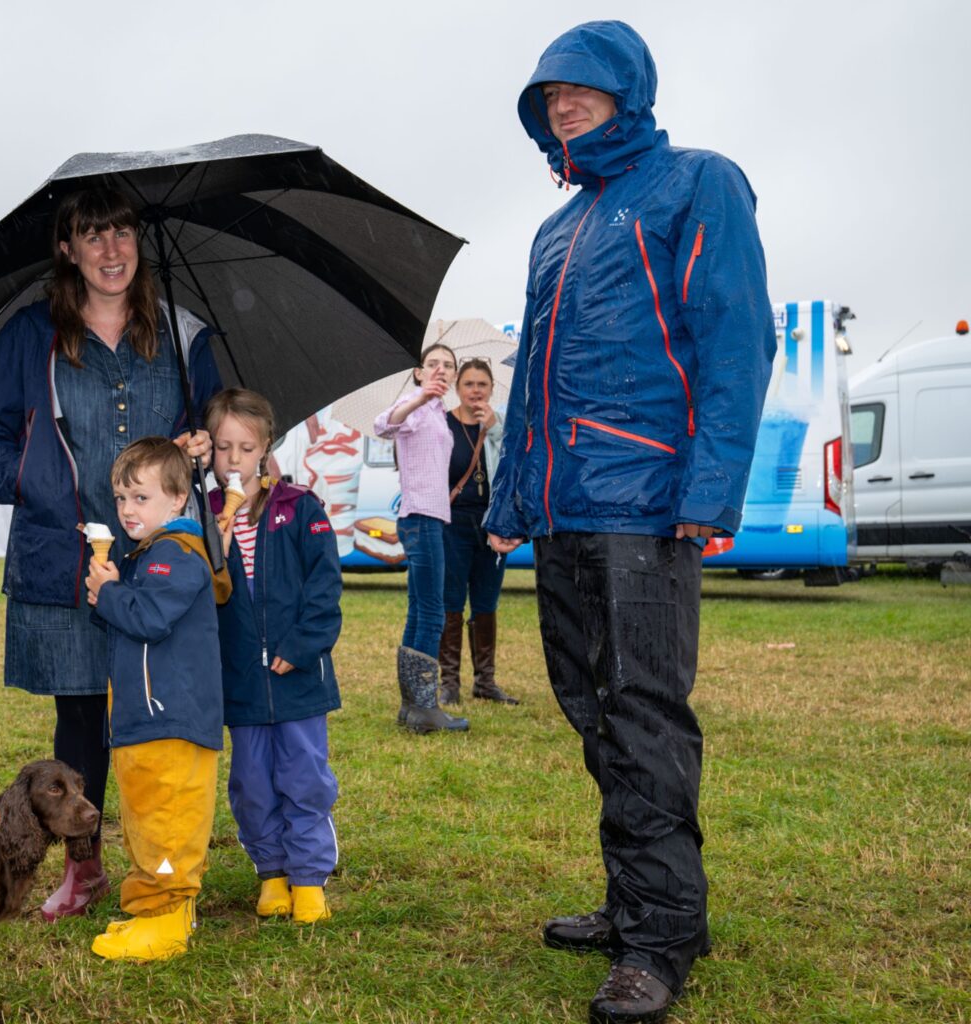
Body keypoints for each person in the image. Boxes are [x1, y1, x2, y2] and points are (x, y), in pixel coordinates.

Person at [485, 22, 774, 1022]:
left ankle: (661, 939)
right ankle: (634, 901)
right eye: (546, 96)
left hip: (646, 506)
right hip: (564, 515)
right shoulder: (556, 228)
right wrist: (510, 500)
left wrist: (709, 491)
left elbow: (736, 336)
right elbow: (532, 387)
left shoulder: (697, 182)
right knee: (591, 709)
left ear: (624, 88)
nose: (561, 105)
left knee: (646, 714)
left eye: (577, 88)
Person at [0, 188, 219, 921]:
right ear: (67, 249)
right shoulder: (28, 335)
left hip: (159, 560)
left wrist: (202, 442)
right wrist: (32, 480)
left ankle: (163, 860)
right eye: (91, 234)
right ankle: (86, 868)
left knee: (158, 713)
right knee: (80, 722)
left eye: (122, 232)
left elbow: (223, 425)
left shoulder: (183, 331)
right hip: (62, 556)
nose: (111, 249)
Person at [83, 438, 224, 961]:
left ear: (179, 499)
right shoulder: (149, 555)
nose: (126, 510)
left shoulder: (176, 554)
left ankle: (167, 916)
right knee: (145, 818)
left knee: (169, 823)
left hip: (172, 722)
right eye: (120, 498)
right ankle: (154, 910)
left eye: (140, 498)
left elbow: (151, 619)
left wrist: (113, 593)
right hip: (144, 721)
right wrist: (111, 591)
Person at [206, 388, 342, 924]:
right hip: (240, 679)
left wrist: (300, 647)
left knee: (304, 776)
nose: (234, 459)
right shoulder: (205, 515)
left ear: (266, 449)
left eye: (246, 447)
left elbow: (324, 588)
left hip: (298, 677)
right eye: (223, 447)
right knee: (252, 783)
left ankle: (309, 877)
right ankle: (272, 872)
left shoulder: (300, 507)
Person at [373, 345, 468, 734]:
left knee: (419, 609)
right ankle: (425, 707)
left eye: (448, 366)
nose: (441, 371)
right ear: (418, 371)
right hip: (420, 518)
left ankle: (411, 706)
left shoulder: (438, 414)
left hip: (429, 516)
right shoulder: (416, 406)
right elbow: (383, 425)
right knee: (432, 611)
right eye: (433, 365)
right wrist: (419, 397)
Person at [437, 358, 518, 707]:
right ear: (458, 388)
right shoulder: (443, 425)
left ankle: (485, 681)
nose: (475, 391)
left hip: (491, 525)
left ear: (491, 389)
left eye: (482, 385)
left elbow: (512, 466)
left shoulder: (501, 425)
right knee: (451, 601)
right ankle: (450, 682)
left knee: (486, 602)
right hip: (452, 524)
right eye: (469, 384)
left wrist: (496, 429)